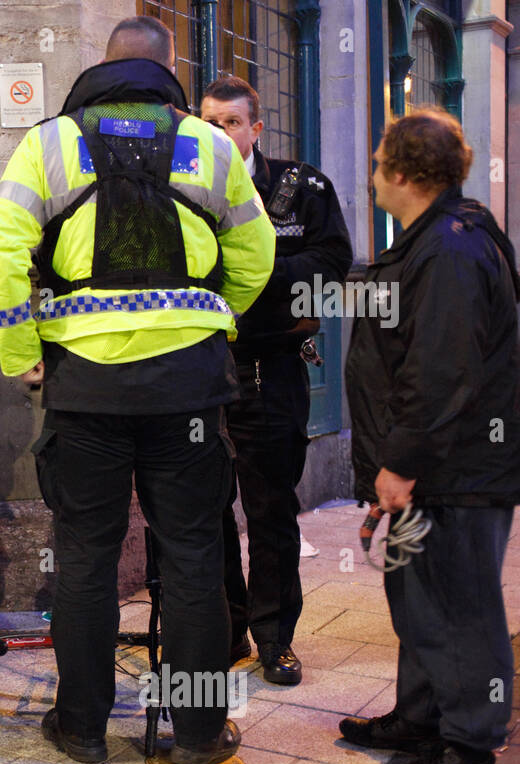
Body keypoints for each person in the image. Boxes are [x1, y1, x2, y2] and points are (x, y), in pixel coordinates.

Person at [0, 17, 275, 764]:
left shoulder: (47, 143)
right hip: (189, 391)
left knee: (84, 559)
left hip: (86, 393)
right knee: (196, 559)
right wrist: (218, 317)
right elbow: (256, 249)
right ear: (169, 69)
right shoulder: (208, 143)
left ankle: (80, 727)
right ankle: (200, 735)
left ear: (102, 65)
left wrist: (23, 350)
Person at [341, 109, 520, 764]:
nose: (369, 178)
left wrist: (400, 464)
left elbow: (440, 371)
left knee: (458, 605)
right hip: (445, 470)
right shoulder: (437, 238)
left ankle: (469, 751)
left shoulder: (449, 248)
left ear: (400, 174)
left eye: (374, 164)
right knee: (420, 596)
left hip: (458, 473)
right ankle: (422, 720)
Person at [200, 76, 353, 685]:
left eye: (231, 123)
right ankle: (226, 629)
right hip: (201, 370)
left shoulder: (302, 186)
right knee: (205, 512)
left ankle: (274, 639)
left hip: (271, 369)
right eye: (209, 123)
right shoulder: (183, 191)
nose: (220, 133)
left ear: (255, 129)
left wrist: (249, 270)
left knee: (269, 512)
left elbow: (331, 263)